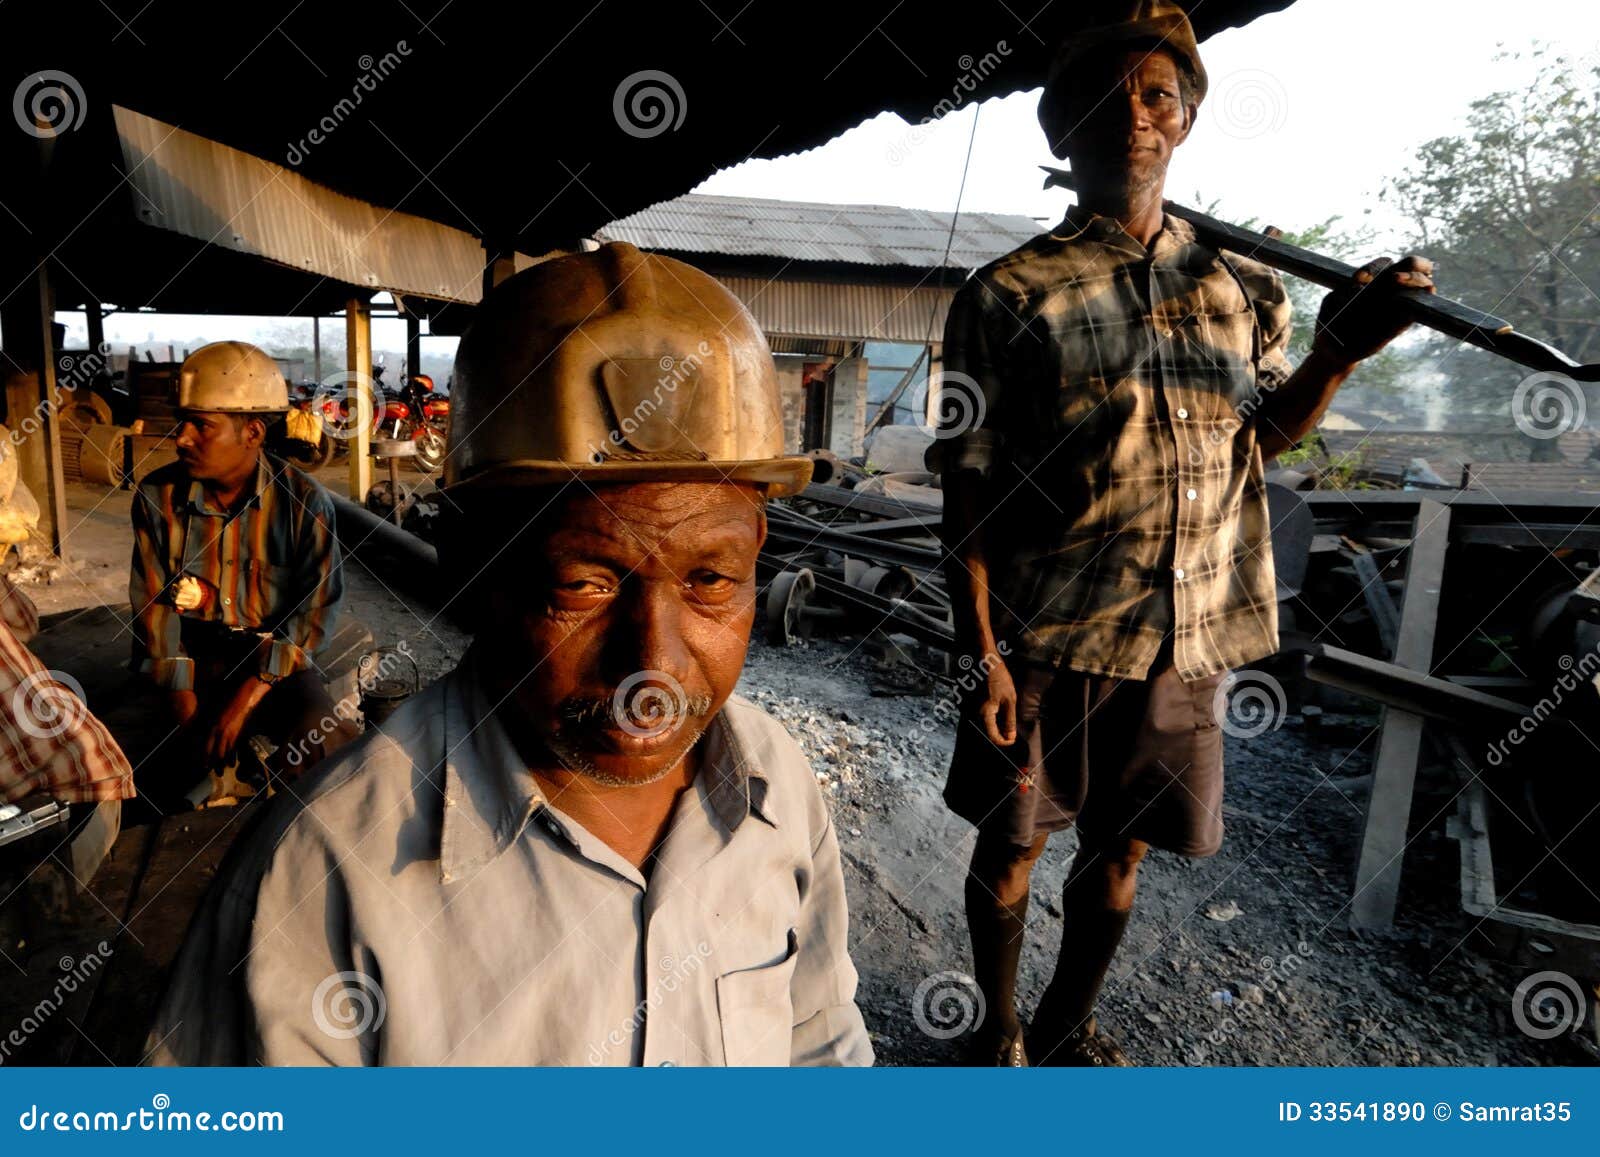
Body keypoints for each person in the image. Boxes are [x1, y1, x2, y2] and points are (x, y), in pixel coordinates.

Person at [147, 243, 873, 1067]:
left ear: (758, 550)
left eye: (711, 579)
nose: (653, 669)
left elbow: (821, 1044)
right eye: (586, 585)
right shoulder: (320, 874)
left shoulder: (776, 787)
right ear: (472, 570)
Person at [935, 0, 1434, 1065]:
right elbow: (965, 486)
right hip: (1046, 635)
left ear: (1186, 122)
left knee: (1121, 852)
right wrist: (979, 648)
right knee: (1013, 846)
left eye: (1156, 95)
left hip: (1185, 633)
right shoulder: (1007, 294)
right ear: (1057, 129)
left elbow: (1267, 438)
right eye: (1100, 97)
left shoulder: (1239, 287)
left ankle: (1069, 1024)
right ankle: (997, 1026)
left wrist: (1339, 351)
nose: (1132, 114)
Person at [129, 341, 344, 799]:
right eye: (182, 421)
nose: (181, 438)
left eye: (200, 425)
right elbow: (154, 611)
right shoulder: (157, 498)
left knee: (323, 746)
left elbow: (313, 619)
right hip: (195, 655)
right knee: (159, 773)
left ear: (252, 433)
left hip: (271, 664)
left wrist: (245, 700)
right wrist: (185, 708)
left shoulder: (305, 505)